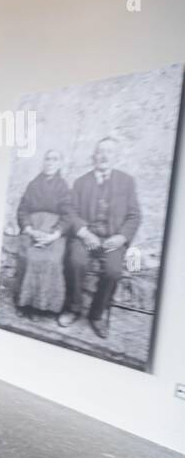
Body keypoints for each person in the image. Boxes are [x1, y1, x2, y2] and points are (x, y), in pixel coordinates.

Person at [59, 137, 141, 339]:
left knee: (113, 271)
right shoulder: (81, 182)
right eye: (100, 152)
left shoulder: (126, 181)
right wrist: (84, 233)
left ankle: (97, 315)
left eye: (109, 152)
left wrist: (121, 237)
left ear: (116, 156)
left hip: (112, 239)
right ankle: (74, 308)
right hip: (86, 236)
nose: (104, 156)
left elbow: (134, 215)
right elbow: (70, 211)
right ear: (93, 156)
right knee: (75, 261)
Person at [13, 149, 72, 317]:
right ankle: (26, 303)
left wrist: (53, 235)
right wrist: (30, 230)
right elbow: (22, 210)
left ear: (59, 163)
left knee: (51, 259)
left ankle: (44, 306)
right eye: (47, 159)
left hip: (53, 231)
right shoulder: (33, 185)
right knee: (29, 256)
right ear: (43, 162)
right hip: (33, 228)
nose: (50, 163)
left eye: (55, 159)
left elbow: (68, 215)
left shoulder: (63, 187)